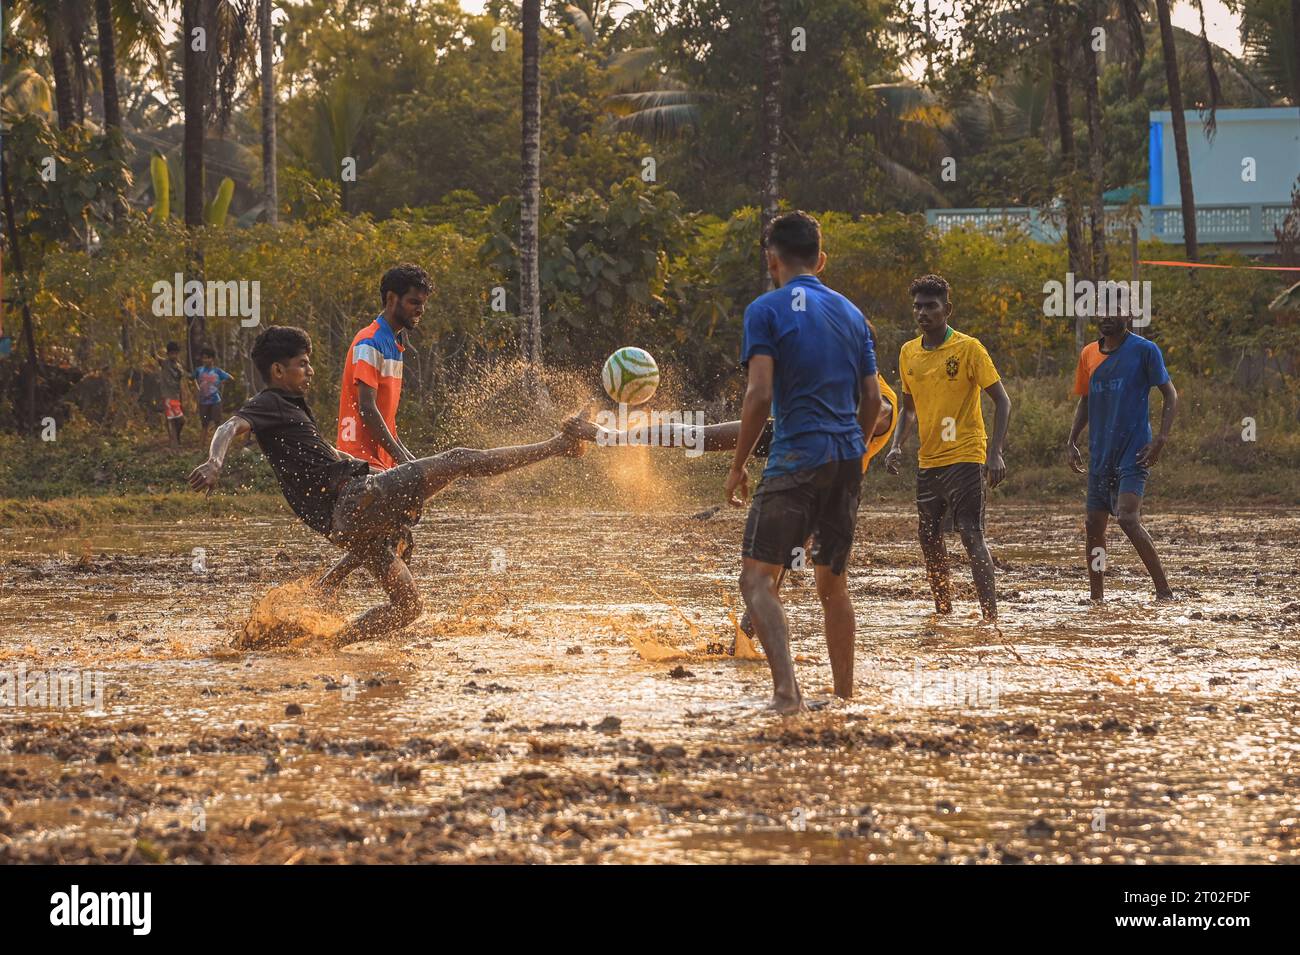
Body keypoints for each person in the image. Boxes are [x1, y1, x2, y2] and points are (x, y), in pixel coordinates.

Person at [188, 325, 585, 645]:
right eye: (303, 364)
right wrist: (214, 461)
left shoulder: (291, 410)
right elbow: (229, 425)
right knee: (459, 459)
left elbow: (326, 458)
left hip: (349, 521)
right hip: (355, 502)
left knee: (408, 607)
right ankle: (559, 444)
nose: (310, 371)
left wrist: (378, 469)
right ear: (278, 371)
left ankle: (325, 644)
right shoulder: (268, 402)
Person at [725, 210, 882, 714]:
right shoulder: (853, 315)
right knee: (831, 584)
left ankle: (787, 694)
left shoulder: (765, 311)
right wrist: (850, 451)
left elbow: (759, 394)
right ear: (822, 258)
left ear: (772, 259)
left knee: (755, 580)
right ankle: (842, 696)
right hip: (845, 461)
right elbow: (874, 403)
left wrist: (737, 464)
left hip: (796, 458)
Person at [883, 274, 1011, 621]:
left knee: (970, 531)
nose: (923, 312)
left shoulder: (969, 348)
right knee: (928, 536)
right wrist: (897, 445)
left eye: (930, 306)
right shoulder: (908, 352)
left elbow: (1002, 401)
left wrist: (994, 451)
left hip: (966, 456)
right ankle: (943, 611)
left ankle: (990, 617)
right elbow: (908, 408)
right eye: (918, 306)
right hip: (929, 460)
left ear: (947, 309)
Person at [1066, 312, 1177, 602]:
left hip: (1135, 450)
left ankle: (1164, 591)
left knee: (1128, 518)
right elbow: (1086, 401)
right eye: (1100, 311)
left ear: (1128, 315)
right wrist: (1072, 439)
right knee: (1094, 526)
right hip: (1100, 453)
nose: (1105, 317)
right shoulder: (1089, 353)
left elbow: (1170, 394)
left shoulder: (1145, 350)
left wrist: (1161, 439)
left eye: (1113, 311)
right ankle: (1097, 597)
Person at [338, 264, 428, 470]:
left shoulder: (394, 343)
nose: (420, 310)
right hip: (360, 460)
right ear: (391, 299)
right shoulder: (370, 342)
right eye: (413, 302)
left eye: (423, 304)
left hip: (383, 461)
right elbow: (367, 409)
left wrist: (408, 458)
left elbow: (386, 417)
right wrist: (404, 461)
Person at [193, 345, 234, 447]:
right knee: (204, 424)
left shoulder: (217, 371)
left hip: (215, 401)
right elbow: (192, 377)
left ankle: (218, 445)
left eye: (207, 357)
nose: (205, 360)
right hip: (203, 401)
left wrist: (221, 382)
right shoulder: (199, 370)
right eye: (203, 358)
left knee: (217, 424)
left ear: (212, 359)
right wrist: (197, 387)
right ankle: (201, 445)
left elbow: (231, 378)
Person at [157, 341, 187, 449]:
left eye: (175, 353)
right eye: (171, 353)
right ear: (168, 354)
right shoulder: (165, 363)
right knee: (171, 421)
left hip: (176, 396)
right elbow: (155, 356)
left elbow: (181, 381)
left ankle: (176, 439)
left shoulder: (179, 367)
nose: (173, 356)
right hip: (167, 396)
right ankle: (174, 446)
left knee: (181, 421)